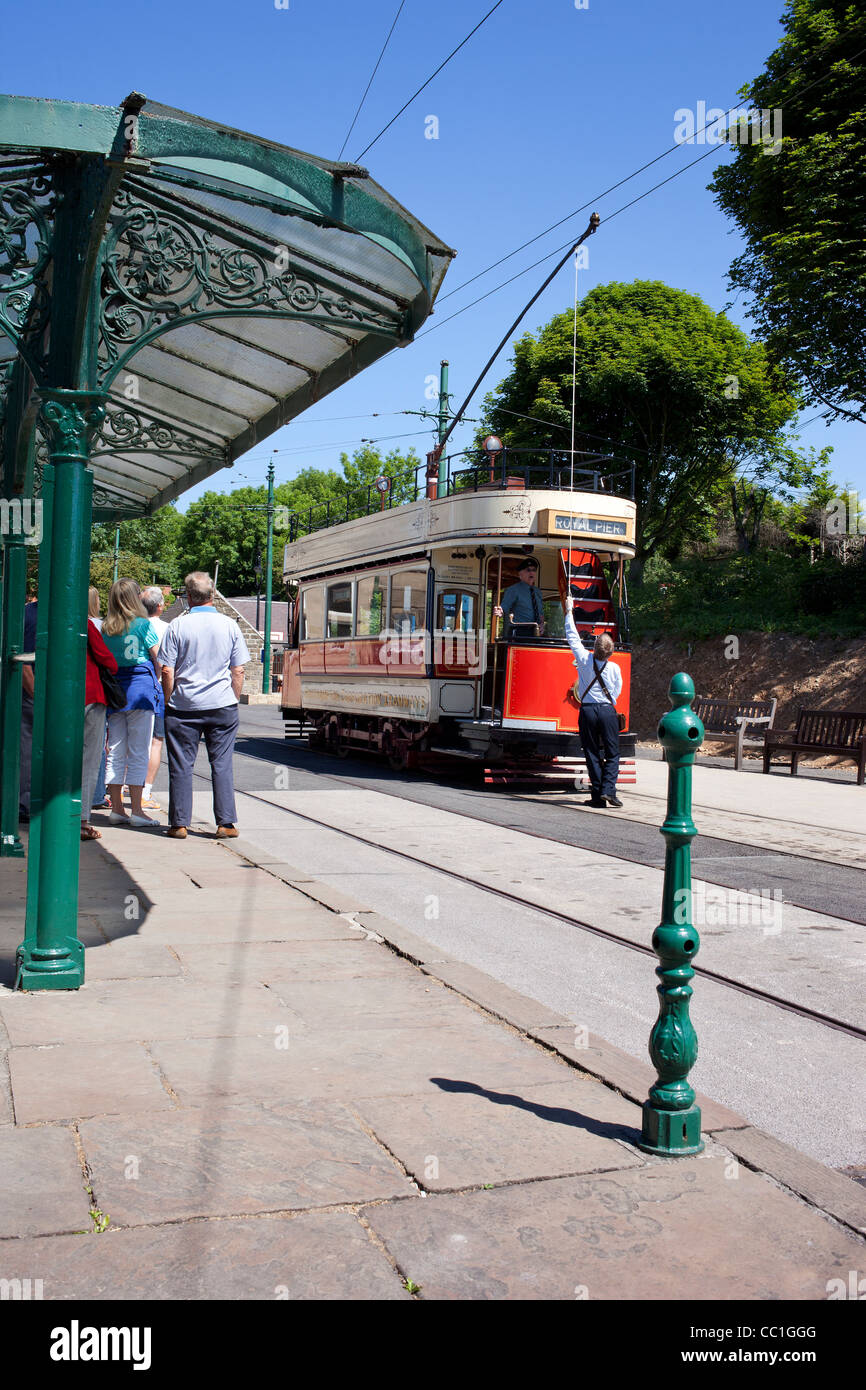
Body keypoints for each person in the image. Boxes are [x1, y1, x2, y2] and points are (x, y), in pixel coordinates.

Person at [159, 571, 249, 840]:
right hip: (222, 705)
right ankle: (225, 823)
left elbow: (166, 670)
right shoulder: (230, 626)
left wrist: (169, 699)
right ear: (212, 594)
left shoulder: (177, 625)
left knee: (181, 765)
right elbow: (239, 669)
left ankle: (179, 824)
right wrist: (231, 698)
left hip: (184, 706)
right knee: (221, 763)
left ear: (187, 597)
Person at [100, 579, 163, 828]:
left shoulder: (106, 627)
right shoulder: (142, 624)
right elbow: (158, 658)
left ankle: (116, 809)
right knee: (139, 751)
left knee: (114, 751)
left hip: (115, 692)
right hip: (140, 692)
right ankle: (137, 810)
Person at [563, 595, 623, 808]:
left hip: (587, 710)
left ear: (595, 646)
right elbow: (616, 691)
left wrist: (569, 610)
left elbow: (572, 636)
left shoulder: (585, 659)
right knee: (612, 752)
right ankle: (608, 790)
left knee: (591, 752)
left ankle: (598, 796)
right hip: (607, 711)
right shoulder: (615, 668)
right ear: (610, 651)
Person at [81, 612, 118, 841]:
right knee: (89, 759)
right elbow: (107, 660)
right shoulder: (82, 622)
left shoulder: (34, 617)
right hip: (89, 695)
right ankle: (82, 820)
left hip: (53, 699)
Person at [140, 586, 170, 810]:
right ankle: (145, 791)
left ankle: (121, 787)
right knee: (155, 742)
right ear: (160, 607)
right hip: (157, 690)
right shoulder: (167, 629)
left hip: (133, 689)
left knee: (128, 740)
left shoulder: (130, 626)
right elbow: (167, 664)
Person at [19, 587, 38, 822]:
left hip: (33, 691)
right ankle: (24, 803)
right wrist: (35, 693)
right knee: (27, 748)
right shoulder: (33, 616)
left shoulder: (27, 613)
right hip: (34, 692)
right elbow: (24, 662)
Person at [494, 558, 545, 638]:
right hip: (519, 632)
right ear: (520, 574)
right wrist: (500, 611)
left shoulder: (537, 592)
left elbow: (541, 613)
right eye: (528, 570)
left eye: (534, 570)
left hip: (536, 632)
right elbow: (504, 606)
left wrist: (542, 624)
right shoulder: (513, 590)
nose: (531, 572)